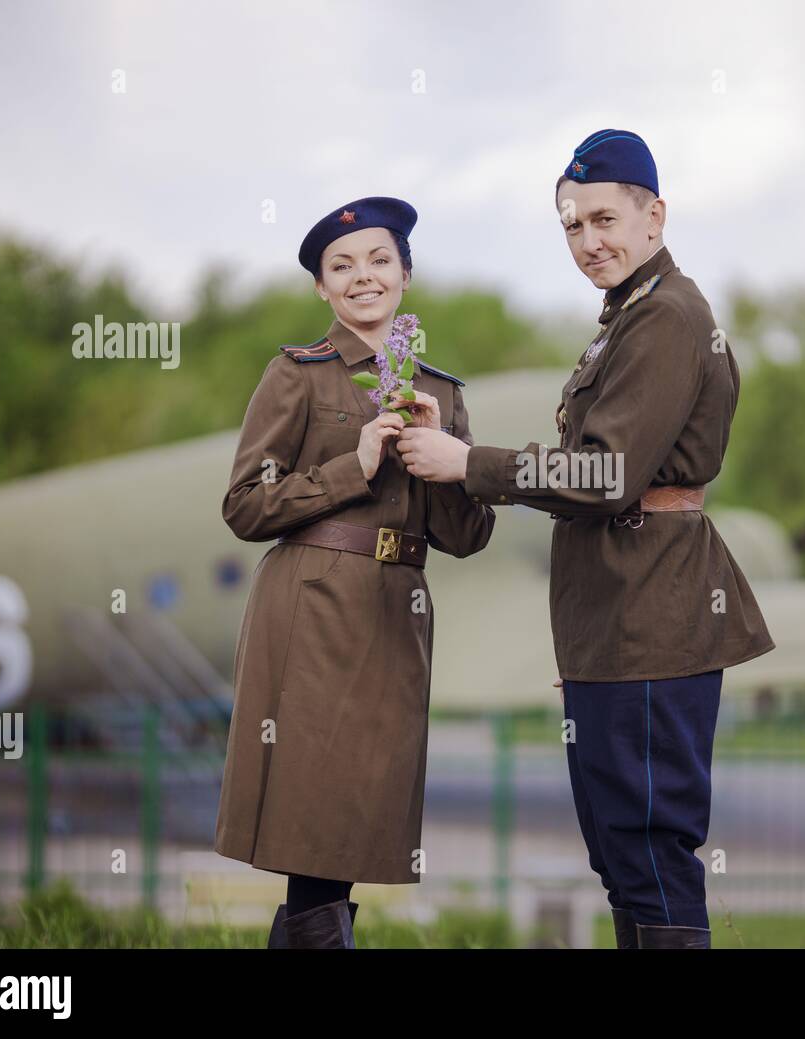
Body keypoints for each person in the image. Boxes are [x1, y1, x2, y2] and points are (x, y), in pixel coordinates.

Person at [397, 130, 775, 949]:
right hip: (616, 622)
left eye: (604, 218)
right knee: (621, 856)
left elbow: (605, 476)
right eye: (572, 226)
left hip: (654, 622)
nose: (589, 240)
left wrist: (470, 463)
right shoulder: (628, 318)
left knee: (650, 853)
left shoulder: (670, 317)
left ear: (654, 215)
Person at [213, 196, 495, 949]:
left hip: (397, 616)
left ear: (406, 273)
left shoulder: (444, 394)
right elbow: (244, 506)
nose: (362, 276)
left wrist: (444, 463)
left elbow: (468, 537)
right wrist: (353, 465)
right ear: (322, 288)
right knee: (317, 832)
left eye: (378, 260)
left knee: (352, 831)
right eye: (341, 266)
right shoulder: (295, 375)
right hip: (314, 612)